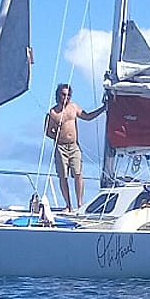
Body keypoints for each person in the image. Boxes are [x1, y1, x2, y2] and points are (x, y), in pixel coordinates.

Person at [44, 83, 106, 212]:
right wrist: (57, 134)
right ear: (58, 95)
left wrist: (103, 109)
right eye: (63, 94)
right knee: (63, 176)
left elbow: (87, 116)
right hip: (60, 147)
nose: (66, 97)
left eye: (68, 95)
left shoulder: (73, 107)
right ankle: (68, 205)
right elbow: (48, 132)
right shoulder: (52, 113)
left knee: (78, 173)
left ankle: (79, 204)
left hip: (74, 146)